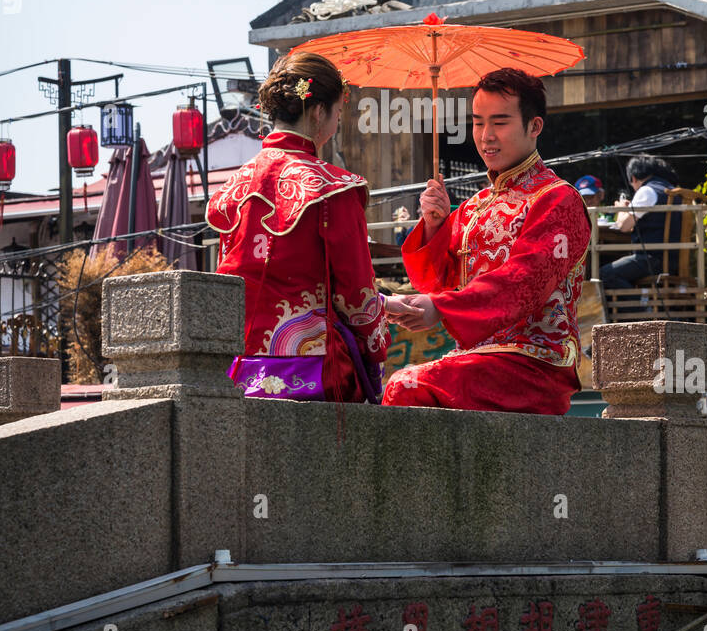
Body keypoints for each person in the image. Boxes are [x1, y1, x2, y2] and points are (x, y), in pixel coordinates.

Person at [381, 68, 591, 415]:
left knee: (406, 385)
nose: (486, 136)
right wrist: (434, 226)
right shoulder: (473, 207)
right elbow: (438, 284)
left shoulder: (557, 200)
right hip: (479, 359)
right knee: (394, 383)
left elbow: (523, 283)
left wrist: (442, 307)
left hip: (536, 364)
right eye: (478, 122)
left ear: (534, 126)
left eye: (500, 122)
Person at [206, 52, 390, 402]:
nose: (336, 122)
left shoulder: (234, 187)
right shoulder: (334, 187)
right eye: (337, 113)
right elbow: (357, 300)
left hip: (238, 372)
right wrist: (377, 347)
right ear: (318, 111)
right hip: (313, 370)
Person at [597, 155, 681, 310]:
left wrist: (621, 209)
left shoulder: (647, 191)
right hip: (673, 259)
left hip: (651, 259)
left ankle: (645, 309)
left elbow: (623, 226)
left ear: (634, 178)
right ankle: (646, 307)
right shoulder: (670, 190)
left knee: (604, 274)